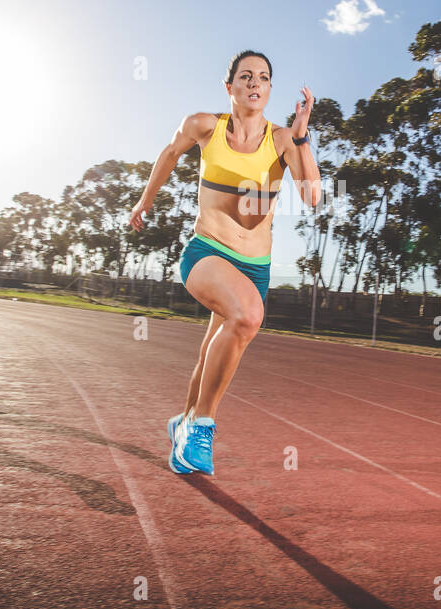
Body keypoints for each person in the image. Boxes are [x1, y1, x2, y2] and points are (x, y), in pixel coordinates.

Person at [129, 50, 321, 475]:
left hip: (255, 268)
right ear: (229, 85)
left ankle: (182, 420)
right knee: (248, 316)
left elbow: (311, 195)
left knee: (211, 352)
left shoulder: (283, 140)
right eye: (246, 76)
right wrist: (145, 202)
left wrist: (303, 136)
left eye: (264, 78)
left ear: (270, 90)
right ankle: (200, 428)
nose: (255, 83)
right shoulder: (203, 125)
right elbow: (168, 154)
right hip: (208, 253)